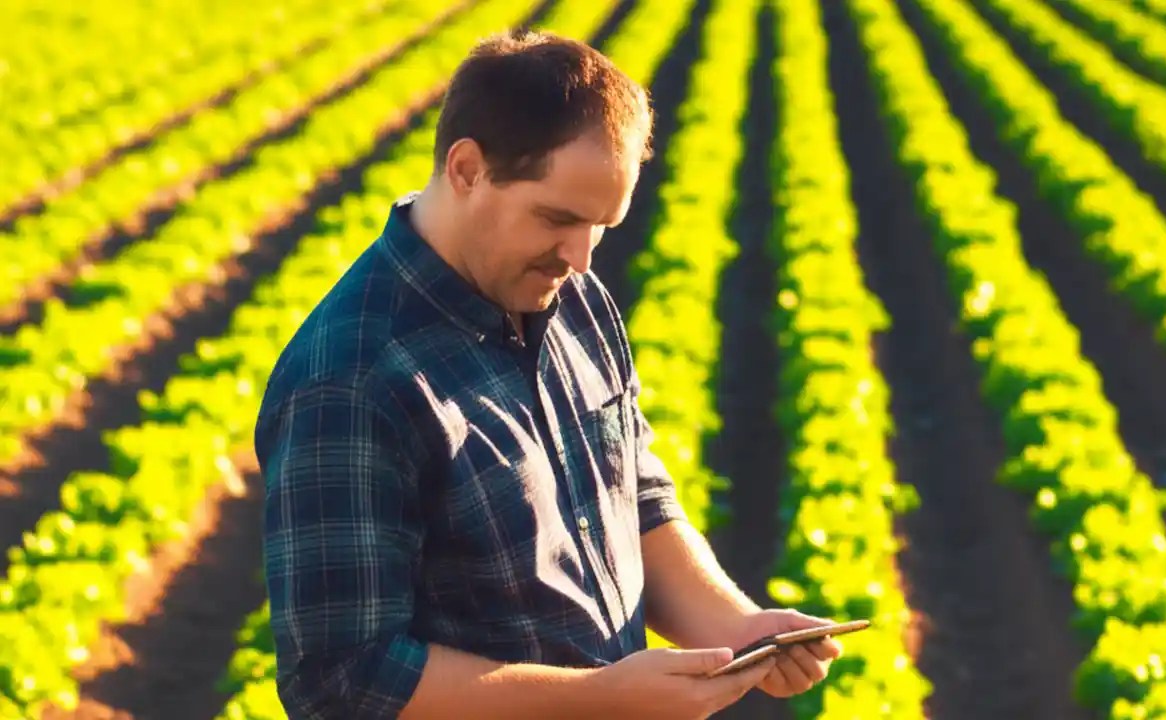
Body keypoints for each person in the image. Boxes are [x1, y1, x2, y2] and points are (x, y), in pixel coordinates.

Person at [254, 29, 843, 719]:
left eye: (602, 225)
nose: (581, 256)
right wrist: (596, 701)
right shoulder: (352, 379)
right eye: (557, 218)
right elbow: (344, 680)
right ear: (467, 169)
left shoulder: (573, 301)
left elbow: (637, 498)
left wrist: (737, 630)